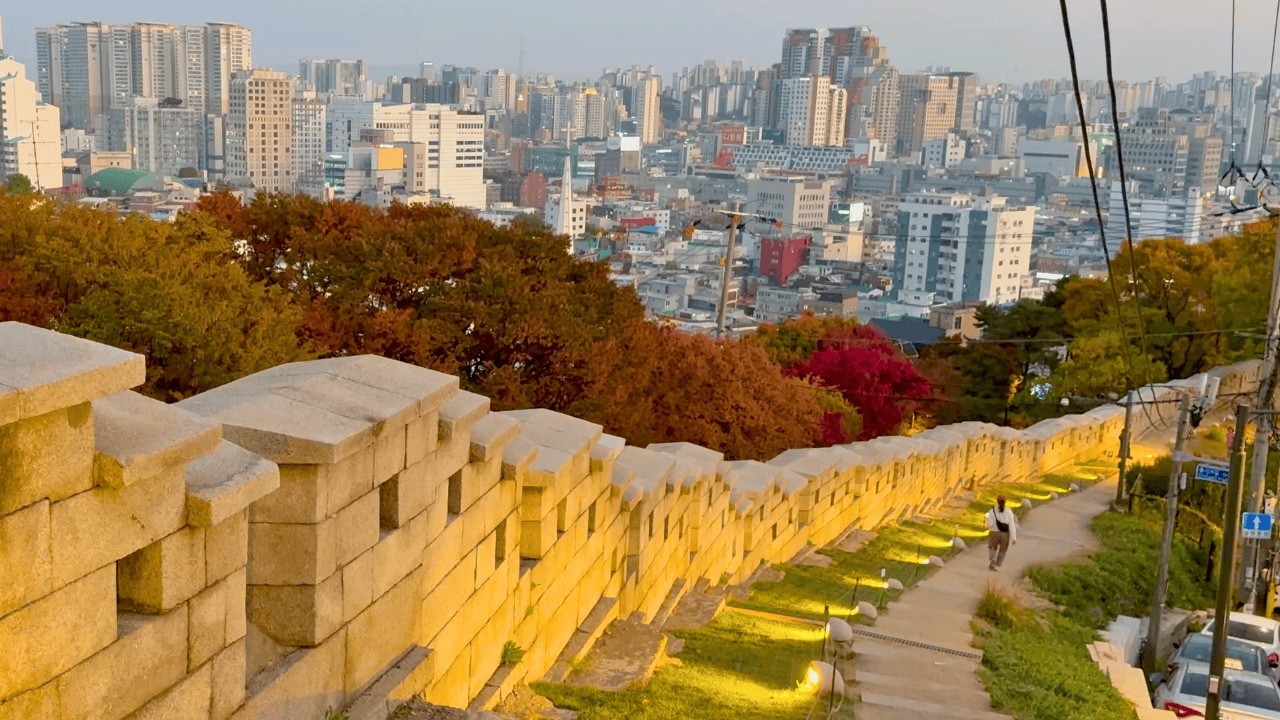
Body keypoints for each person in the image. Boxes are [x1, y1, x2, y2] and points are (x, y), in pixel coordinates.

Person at [985, 494, 1017, 571]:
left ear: (997, 501)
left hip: (994, 533)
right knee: (1003, 549)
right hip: (1005, 534)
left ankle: (992, 560)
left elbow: (990, 523)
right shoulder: (1009, 512)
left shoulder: (992, 510)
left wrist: (988, 523)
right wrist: (1014, 537)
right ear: (1005, 502)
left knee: (992, 547)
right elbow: (1012, 525)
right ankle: (998, 563)